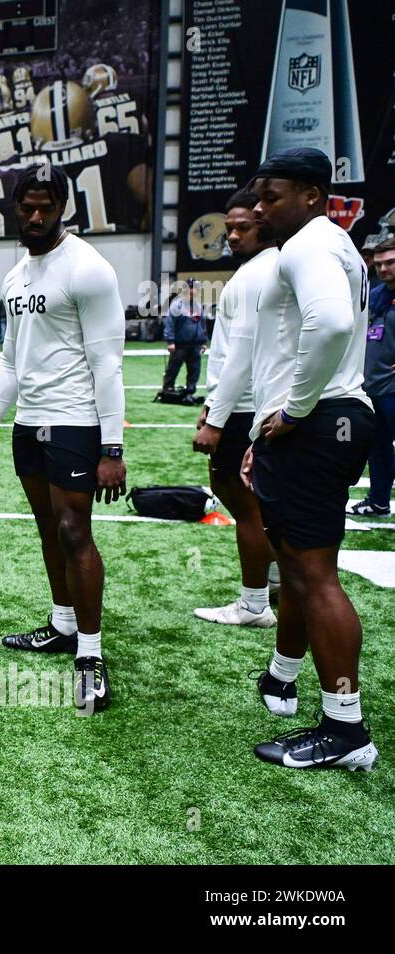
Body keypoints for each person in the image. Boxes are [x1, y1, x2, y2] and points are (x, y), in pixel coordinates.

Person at [0, 163, 127, 715]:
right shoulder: (16, 277)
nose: (37, 217)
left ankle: (90, 655)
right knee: (46, 527)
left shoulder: (88, 269)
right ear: (16, 208)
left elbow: (109, 363)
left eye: (47, 207)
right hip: (28, 423)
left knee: (73, 530)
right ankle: (62, 625)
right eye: (27, 208)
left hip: (75, 420)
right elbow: (11, 357)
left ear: (63, 207)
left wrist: (112, 448)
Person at [241, 148, 377, 770]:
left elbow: (328, 326)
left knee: (315, 575)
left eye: (272, 197)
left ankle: (346, 730)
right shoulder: (330, 242)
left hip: (318, 422)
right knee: (299, 567)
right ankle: (282, 678)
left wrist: (292, 412)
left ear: (312, 195)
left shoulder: (308, 245)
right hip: (329, 420)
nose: (261, 209)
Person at [191, 190, 280, 627]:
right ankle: (276, 579)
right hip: (258, 404)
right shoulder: (273, 270)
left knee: (245, 506)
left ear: (264, 224)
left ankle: (254, 603)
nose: (231, 235)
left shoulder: (253, 277)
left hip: (243, 408)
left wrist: (215, 417)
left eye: (242, 226)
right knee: (261, 504)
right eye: (228, 227)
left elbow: (238, 356)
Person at [348, 237, 395, 516]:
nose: (383, 269)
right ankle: (378, 501)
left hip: (393, 390)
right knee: (377, 449)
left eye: (390, 262)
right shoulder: (375, 294)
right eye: (378, 264)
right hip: (373, 388)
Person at [163, 279, 208, 398]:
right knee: (173, 368)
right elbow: (170, 323)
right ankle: (168, 389)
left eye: (197, 288)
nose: (196, 290)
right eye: (193, 288)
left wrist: (203, 342)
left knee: (194, 370)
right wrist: (170, 341)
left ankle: (190, 392)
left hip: (195, 345)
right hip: (180, 344)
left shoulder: (198, 306)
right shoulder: (177, 305)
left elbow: (202, 324)